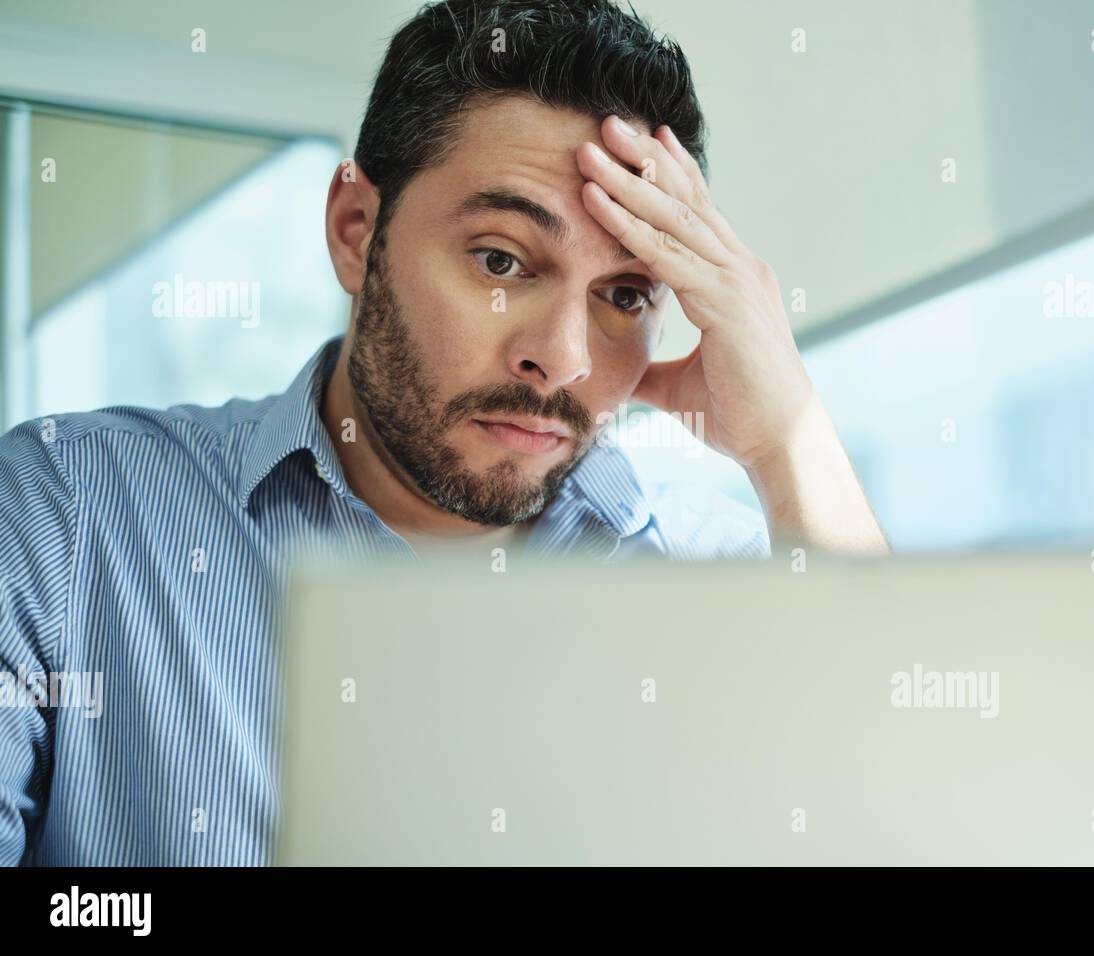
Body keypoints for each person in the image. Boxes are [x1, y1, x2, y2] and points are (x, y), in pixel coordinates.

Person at [0, 0, 886, 865]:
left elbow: (904, 825)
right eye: (501, 260)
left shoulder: (729, 581)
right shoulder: (63, 518)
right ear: (356, 232)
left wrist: (788, 443)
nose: (564, 359)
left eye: (625, 295)